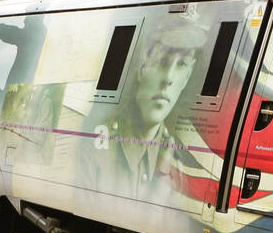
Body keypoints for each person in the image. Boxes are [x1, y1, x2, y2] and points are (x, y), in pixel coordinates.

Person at [80, 14, 208, 204]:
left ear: (187, 77)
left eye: (181, 64)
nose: (168, 79)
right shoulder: (94, 147)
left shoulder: (177, 162)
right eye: (163, 61)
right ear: (142, 67)